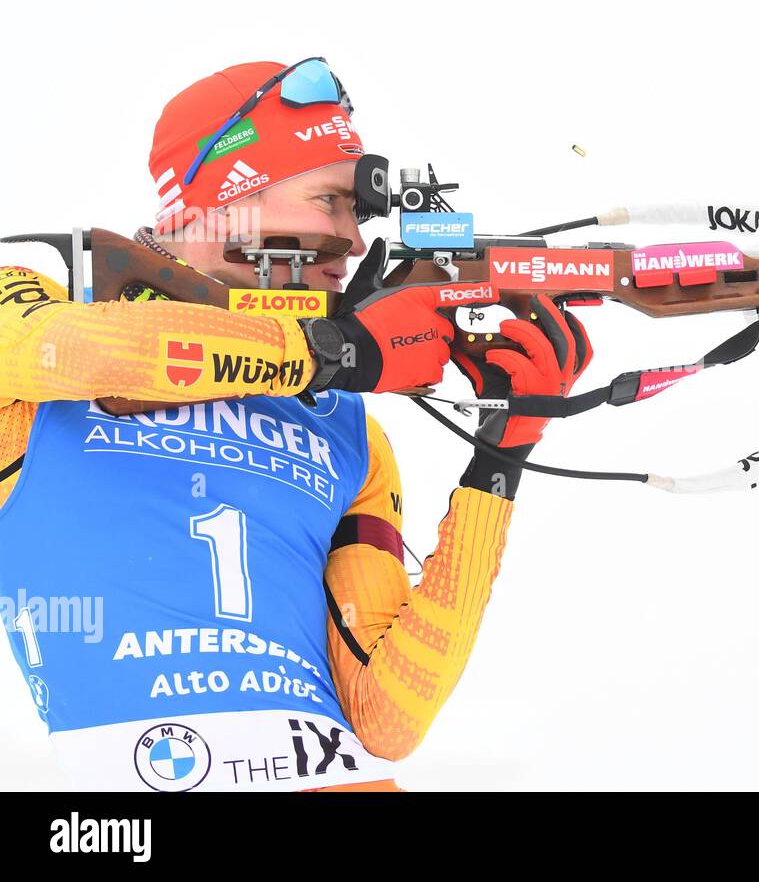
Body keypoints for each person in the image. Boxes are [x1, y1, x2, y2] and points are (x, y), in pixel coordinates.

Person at [0, 59, 592, 791]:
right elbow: (82, 351)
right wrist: (331, 351)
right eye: (329, 200)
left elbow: (386, 716)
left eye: (357, 212)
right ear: (221, 201)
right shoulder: (37, 298)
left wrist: (503, 455)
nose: (351, 240)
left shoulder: (347, 425)